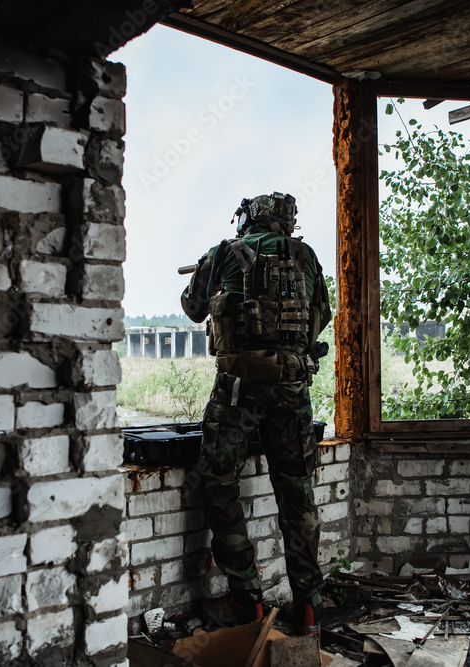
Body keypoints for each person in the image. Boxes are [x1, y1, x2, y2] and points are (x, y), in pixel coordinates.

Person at [181, 192, 332, 634]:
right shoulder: (305, 255)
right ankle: (307, 604)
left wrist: (209, 273)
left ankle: (246, 597)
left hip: (236, 393)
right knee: (296, 491)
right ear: (287, 222)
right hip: (291, 391)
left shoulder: (222, 253)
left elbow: (192, 309)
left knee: (216, 478)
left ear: (245, 220)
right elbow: (319, 317)